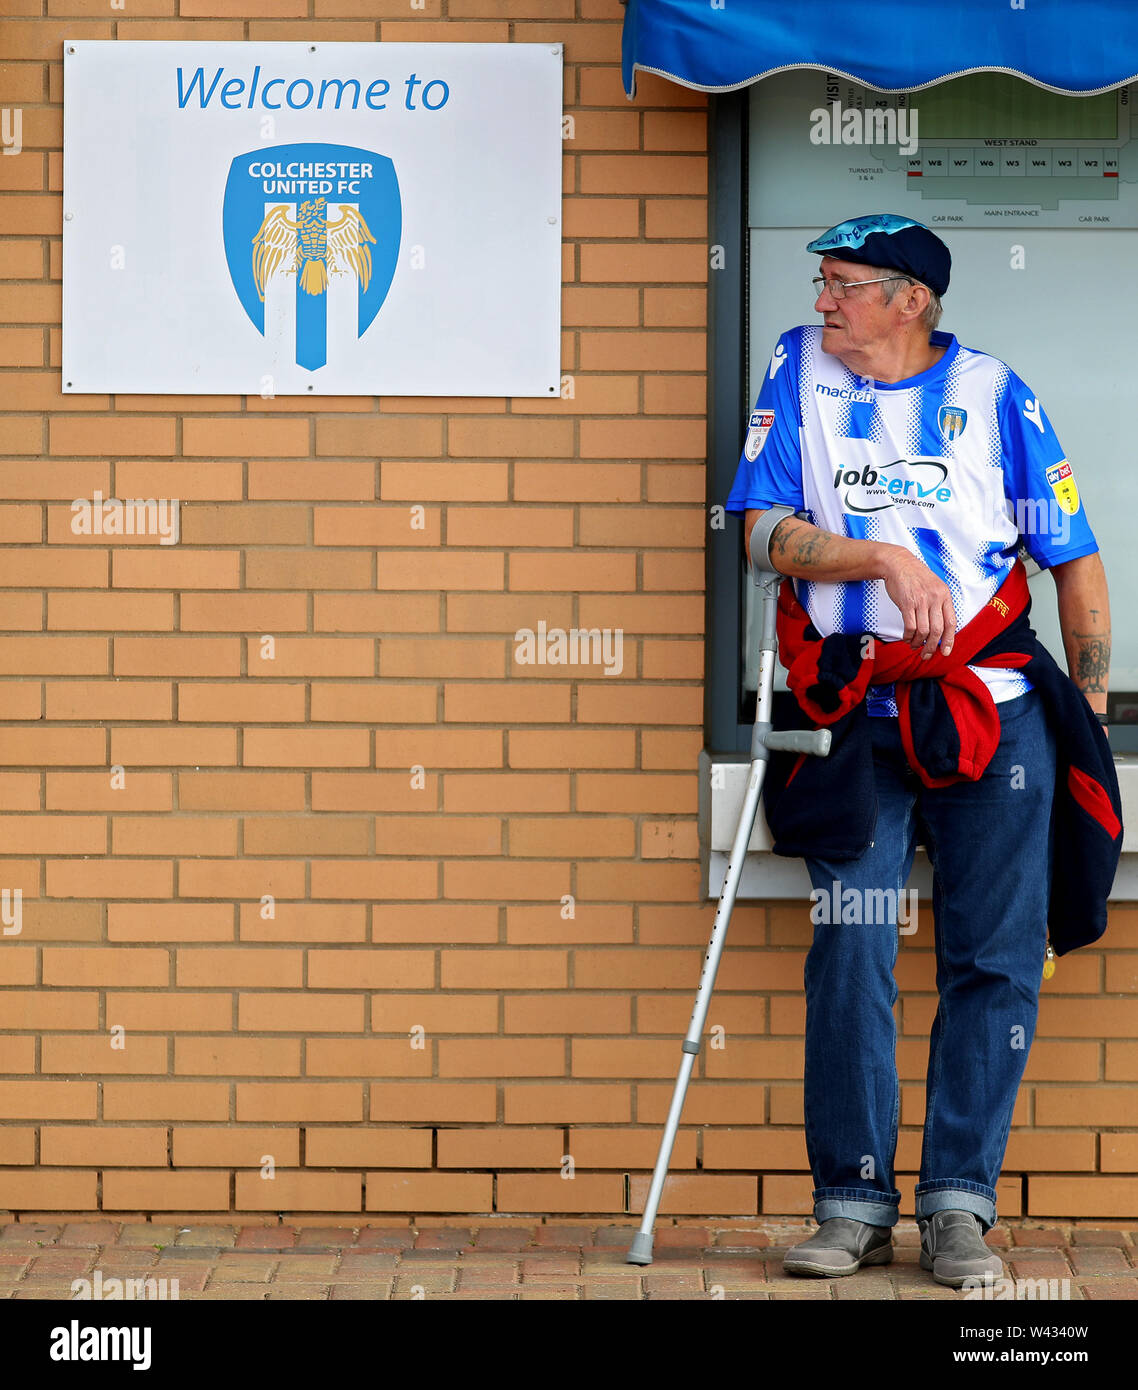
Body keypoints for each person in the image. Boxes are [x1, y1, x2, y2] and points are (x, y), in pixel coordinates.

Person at [724, 213, 1115, 1287]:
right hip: (856, 715)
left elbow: (1072, 557)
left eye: (842, 283)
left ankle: (957, 1206)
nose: (820, 300)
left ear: (910, 298)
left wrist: (1081, 711)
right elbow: (755, 527)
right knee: (849, 947)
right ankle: (849, 1202)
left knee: (993, 956)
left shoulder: (995, 393)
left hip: (996, 718)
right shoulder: (797, 370)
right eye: (821, 280)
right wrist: (878, 557)